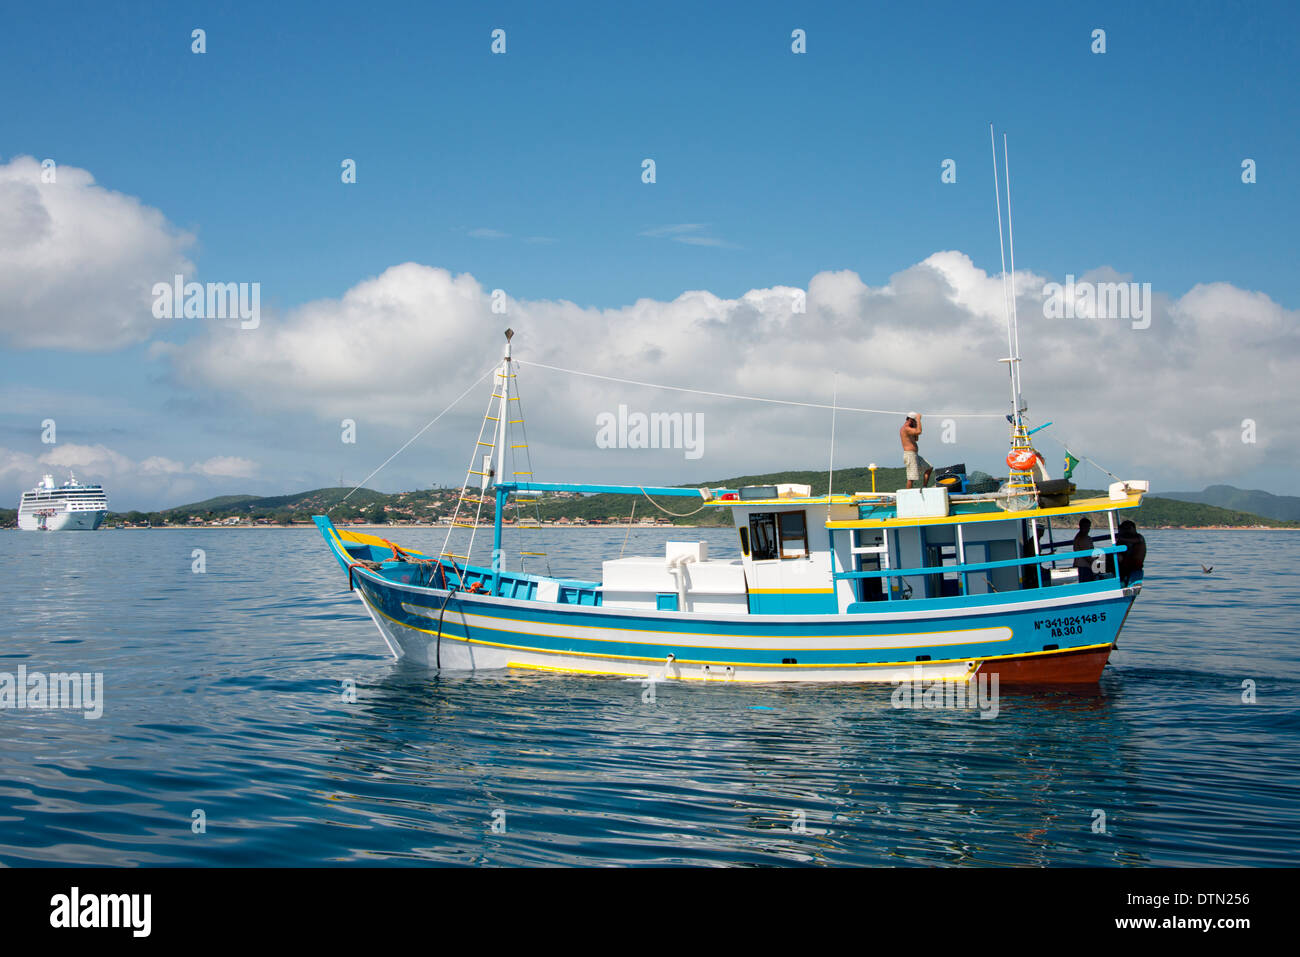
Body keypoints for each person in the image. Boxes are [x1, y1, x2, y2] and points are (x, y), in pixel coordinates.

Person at [900, 411, 932, 489]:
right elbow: (919, 431)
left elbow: (916, 438)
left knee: (929, 468)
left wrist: (915, 424)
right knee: (911, 478)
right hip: (910, 455)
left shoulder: (910, 429)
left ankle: (924, 487)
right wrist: (918, 419)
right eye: (914, 421)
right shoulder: (906, 428)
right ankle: (907, 494)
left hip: (914, 455)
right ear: (911, 420)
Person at [1116, 520, 1147, 586]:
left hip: (1134, 566)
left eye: (1128, 529)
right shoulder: (1125, 539)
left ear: (1133, 528)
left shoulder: (1138, 537)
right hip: (1126, 566)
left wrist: (1121, 538)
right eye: (1124, 529)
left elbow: (1136, 540)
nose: (1126, 531)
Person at [1073, 518, 1096, 582]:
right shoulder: (1082, 538)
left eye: (1088, 527)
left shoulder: (1081, 537)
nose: (1087, 529)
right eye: (1085, 526)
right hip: (1083, 568)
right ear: (1080, 526)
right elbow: (1087, 556)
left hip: (1082, 567)